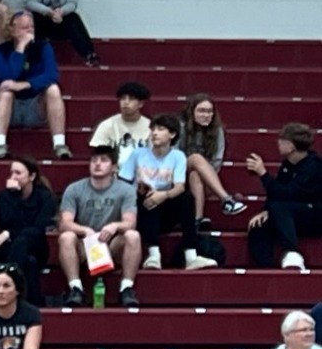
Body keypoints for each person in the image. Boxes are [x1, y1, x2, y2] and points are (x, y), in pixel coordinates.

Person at [57, 144, 142, 308]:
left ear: (114, 167)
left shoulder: (126, 190)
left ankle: (126, 288)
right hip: (84, 246)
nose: (97, 164)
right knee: (66, 237)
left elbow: (130, 222)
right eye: (94, 160)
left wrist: (115, 226)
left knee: (133, 235)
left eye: (103, 160)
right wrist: (85, 230)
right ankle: (76, 288)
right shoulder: (74, 189)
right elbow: (64, 223)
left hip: (111, 244)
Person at [0, 11, 69, 162]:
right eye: (24, 28)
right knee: (7, 91)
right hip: (7, 108)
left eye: (31, 27)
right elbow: (7, 77)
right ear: (12, 30)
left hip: (34, 105)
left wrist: (25, 85)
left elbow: (52, 75)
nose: (29, 31)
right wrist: (20, 49)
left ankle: (60, 145)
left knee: (53, 89)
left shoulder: (44, 47)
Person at [246, 123, 322, 272]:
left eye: (282, 140)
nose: (278, 143)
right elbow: (276, 193)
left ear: (292, 145)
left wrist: (263, 174)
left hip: (315, 215)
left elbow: (289, 194)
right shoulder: (287, 165)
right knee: (259, 225)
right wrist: (266, 211)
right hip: (290, 216)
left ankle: (291, 251)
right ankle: (265, 269)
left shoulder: (314, 167)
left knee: (280, 207)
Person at [126, 114, 198, 269]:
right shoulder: (138, 154)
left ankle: (191, 256)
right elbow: (123, 182)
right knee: (146, 195)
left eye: (160, 129)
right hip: (140, 209)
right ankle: (153, 254)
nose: (154, 133)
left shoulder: (178, 156)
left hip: (165, 210)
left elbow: (180, 186)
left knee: (186, 197)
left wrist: (163, 195)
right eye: (152, 129)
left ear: (172, 134)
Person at [0, 155, 59, 303]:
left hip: (36, 246)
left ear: (32, 176)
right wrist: (14, 196)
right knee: (29, 262)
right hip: (6, 247)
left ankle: (10, 284)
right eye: (12, 173)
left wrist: (8, 233)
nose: (13, 177)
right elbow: (8, 221)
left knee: (24, 241)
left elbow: (38, 228)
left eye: (18, 173)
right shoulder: (4, 196)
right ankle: (34, 304)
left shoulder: (45, 197)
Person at [180, 93, 248, 235]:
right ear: (191, 112)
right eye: (201, 111)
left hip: (206, 180)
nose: (206, 115)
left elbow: (216, 163)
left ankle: (197, 220)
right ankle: (226, 199)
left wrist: (202, 170)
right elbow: (171, 158)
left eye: (209, 111)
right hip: (178, 176)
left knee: (196, 175)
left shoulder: (217, 131)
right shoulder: (181, 127)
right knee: (196, 158)